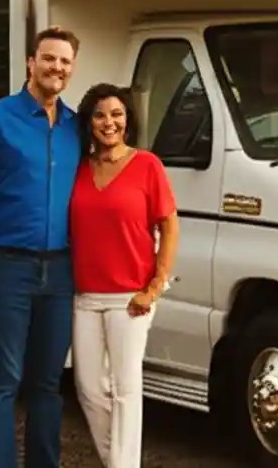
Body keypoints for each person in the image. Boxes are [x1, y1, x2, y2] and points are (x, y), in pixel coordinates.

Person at [0, 26, 83, 468]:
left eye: (65, 61)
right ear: (31, 62)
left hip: (60, 273)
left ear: (72, 68)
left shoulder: (75, 126)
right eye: (49, 58)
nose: (56, 68)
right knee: (2, 383)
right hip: (5, 268)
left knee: (47, 385)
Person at [68, 82, 180, 468]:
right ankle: (118, 463)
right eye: (100, 115)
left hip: (131, 297)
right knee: (88, 390)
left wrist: (155, 286)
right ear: (89, 122)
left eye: (116, 114)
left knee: (125, 390)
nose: (108, 122)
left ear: (128, 120)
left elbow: (169, 225)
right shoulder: (79, 169)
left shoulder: (147, 165)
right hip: (84, 296)